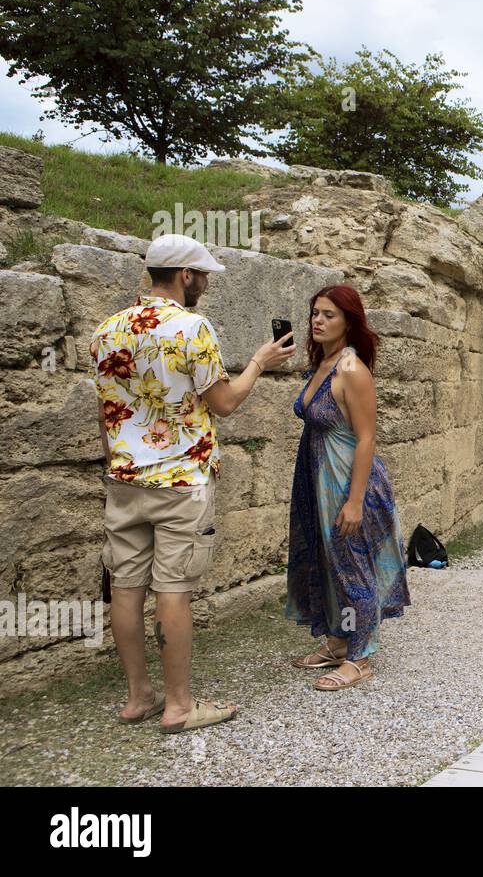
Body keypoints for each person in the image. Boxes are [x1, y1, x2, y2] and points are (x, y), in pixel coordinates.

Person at [91, 233, 295, 733]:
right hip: (182, 481)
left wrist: (121, 459)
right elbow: (224, 402)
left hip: (124, 477)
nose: (204, 284)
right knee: (173, 590)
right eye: (202, 276)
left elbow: (107, 412)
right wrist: (258, 364)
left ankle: (138, 697)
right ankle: (179, 707)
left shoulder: (106, 331)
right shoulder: (192, 328)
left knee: (125, 587)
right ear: (185, 275)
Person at [286, 285, 410, 691]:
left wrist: (355, 501)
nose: (318, 321)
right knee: (325, 561)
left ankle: (360, 657)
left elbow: (367, 438)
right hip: (316, 479)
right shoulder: (322, 363)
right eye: (314, 313)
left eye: (329, 315)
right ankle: (338, 642)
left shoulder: (352, 369)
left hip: (346, 482)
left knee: (352, 567)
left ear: (349, 322)